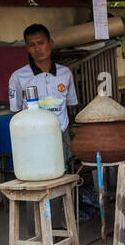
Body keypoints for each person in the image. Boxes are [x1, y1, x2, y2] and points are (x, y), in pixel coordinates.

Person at [7, 23, 78, 152]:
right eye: (32, 45)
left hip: (61, 132)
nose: (38, 49)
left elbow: (70, 105)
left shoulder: (65, 73)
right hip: (32, 135)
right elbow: (16, 111)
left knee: (64, 169)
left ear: (50, 43)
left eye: (41, 43)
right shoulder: (18, 76)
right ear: (27, 48)